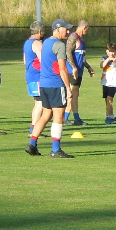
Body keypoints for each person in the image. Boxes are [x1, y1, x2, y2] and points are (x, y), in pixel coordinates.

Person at [26, 19, 75, 158]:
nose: (68, 31)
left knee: (46, 115)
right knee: (58, 116)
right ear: (58, 29)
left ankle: (32, 143)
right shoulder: (59, 45)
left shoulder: (46, 42)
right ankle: (55, 149)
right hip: (55, 84)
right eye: (66, 29)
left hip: (44, 84)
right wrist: (68, 88)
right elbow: (62, 68)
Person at [64, 20, 95, 126]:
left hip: (79, 71)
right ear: (84, 27)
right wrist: (73, 67)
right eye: (87, 29)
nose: (87, 32)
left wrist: (88, 67)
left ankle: (74, 118)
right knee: (72, 94)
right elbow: (68, 52)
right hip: (72, 71)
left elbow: (82, 58)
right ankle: (67, 118)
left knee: (75, 95)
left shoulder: (81, 40)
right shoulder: (74, 37)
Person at [23, 22, 45, 133]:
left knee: (38, 102)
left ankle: (35, 128)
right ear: (40, 31)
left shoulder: (27, 43)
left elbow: (25, 61)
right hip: (37, 76)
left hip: (31, 75)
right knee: (40, 103)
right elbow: (43, 61)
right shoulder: (37, 43)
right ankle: (34, 128)